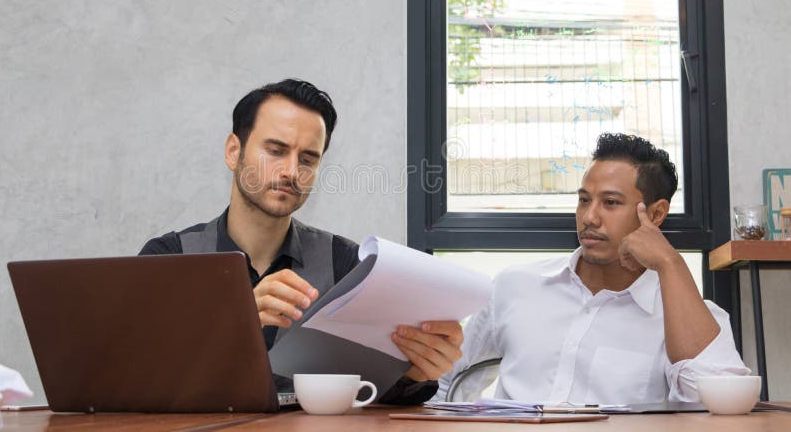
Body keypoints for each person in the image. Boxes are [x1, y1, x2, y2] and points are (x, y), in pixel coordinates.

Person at [140, 79, 463, 403]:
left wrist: (414, 373)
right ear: (233, 151)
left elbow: (375, 393)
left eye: (308, 159)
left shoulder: (348, 265)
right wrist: (231, 321)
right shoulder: (169, 259)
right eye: (276, 151)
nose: (292, 171)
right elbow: (136, 376)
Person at [437, 133, 749, 404]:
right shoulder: (513, 286)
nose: (590, 217)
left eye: (610, 202)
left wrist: (670, 263)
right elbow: (443, 383)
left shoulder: (693, 318)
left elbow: (720, 403)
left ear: (655, 215)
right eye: (584, 200)